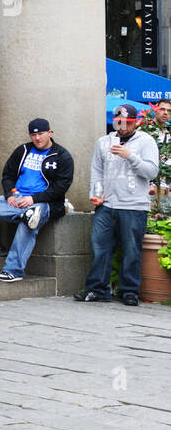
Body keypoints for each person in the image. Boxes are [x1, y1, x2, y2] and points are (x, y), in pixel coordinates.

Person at [76, 104, 159, 305]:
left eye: (128, 123)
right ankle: (97, 290)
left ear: (135, 122)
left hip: (133, 205)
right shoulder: (104, 142)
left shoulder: (146, 141)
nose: (123, 126)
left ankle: (130, 291)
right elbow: (97, 170)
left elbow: (151, 172)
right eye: (119, 122)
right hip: (107, 204)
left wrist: (129, 155)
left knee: (131, 249)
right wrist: (95, 193)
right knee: (100, 247)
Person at [0, 118, 75, 284]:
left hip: (44, 203)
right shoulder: (23, 150)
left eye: (40, 134)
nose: (37, 138)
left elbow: (61, 188)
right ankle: (27, 214)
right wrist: (10, 195)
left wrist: (33, 199)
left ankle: (13, 270)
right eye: (33, 134)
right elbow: (7, 175)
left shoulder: (62, 156)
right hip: (18, 199)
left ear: (49, 133)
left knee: (31, 219)